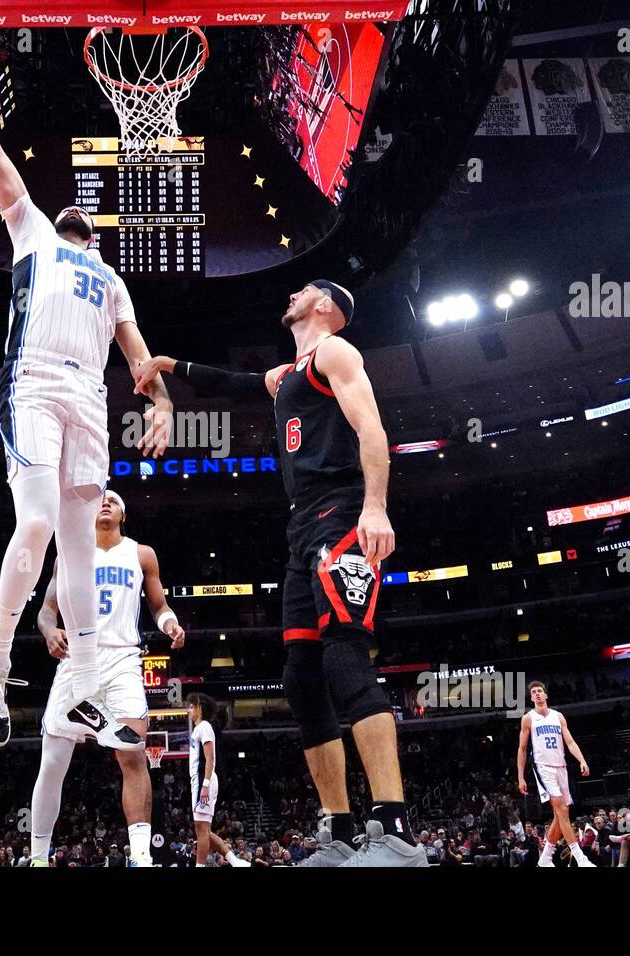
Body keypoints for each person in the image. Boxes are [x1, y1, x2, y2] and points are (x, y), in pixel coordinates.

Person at [135, 282, 421, 867]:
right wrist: (172, 365)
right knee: (300, 678)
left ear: (325, 308)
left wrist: (375, 507)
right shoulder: (290, 371)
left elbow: (373, 431)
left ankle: (394, 828)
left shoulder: (336, 354)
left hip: (341, 510)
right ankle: (339, 833)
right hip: (300, 529)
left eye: (306, 289)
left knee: (345, 655)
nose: (292, 291)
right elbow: (234, 384)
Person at [0, 76, 175, 751]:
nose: (75, 209)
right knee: (38, 521)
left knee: (77, 550)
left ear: (96, 237)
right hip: (35, 382)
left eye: (85, 214)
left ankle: (81, 692)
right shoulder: (35, 234)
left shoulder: (111, 280)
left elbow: (139, 358)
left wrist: (161, 399)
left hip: (91, 401)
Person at [29, 490, 185, 867]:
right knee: (52, 762)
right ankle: (36, 857)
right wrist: (50, 632)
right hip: (77, 660)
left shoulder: (141, 553)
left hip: (122, 661)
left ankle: (142, 856)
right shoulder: (69, 550)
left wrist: (170, 624)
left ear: (124, 514)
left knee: (132, 754)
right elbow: (46, 612)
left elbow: (158, 604)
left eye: (113, 499)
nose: (105, 502)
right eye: (99, 497)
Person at [517, 681, 595, 867]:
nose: (537, 694)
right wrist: (520, 776)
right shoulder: (528, 718)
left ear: (546, 695)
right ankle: (581, 858)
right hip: (543, 767)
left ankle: (545, 858)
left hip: (561, 766)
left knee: (560, 815)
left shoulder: (558, 716)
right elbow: (522, 748)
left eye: (539, 691)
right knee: (562, 808)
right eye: (534, 692)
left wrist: (582, 760)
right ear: (531, 697)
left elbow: (570, 742)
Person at [186, 693, 248, 867]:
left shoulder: (205, 726)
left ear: (201, 707)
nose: (189, 710)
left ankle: (200, 866)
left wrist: (204, 785)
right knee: (204, 829)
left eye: (192, 706)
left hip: (203, 781)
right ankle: (236, 862)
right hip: (199, 781)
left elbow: (210, 758)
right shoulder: (199, 728)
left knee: (201, 829)